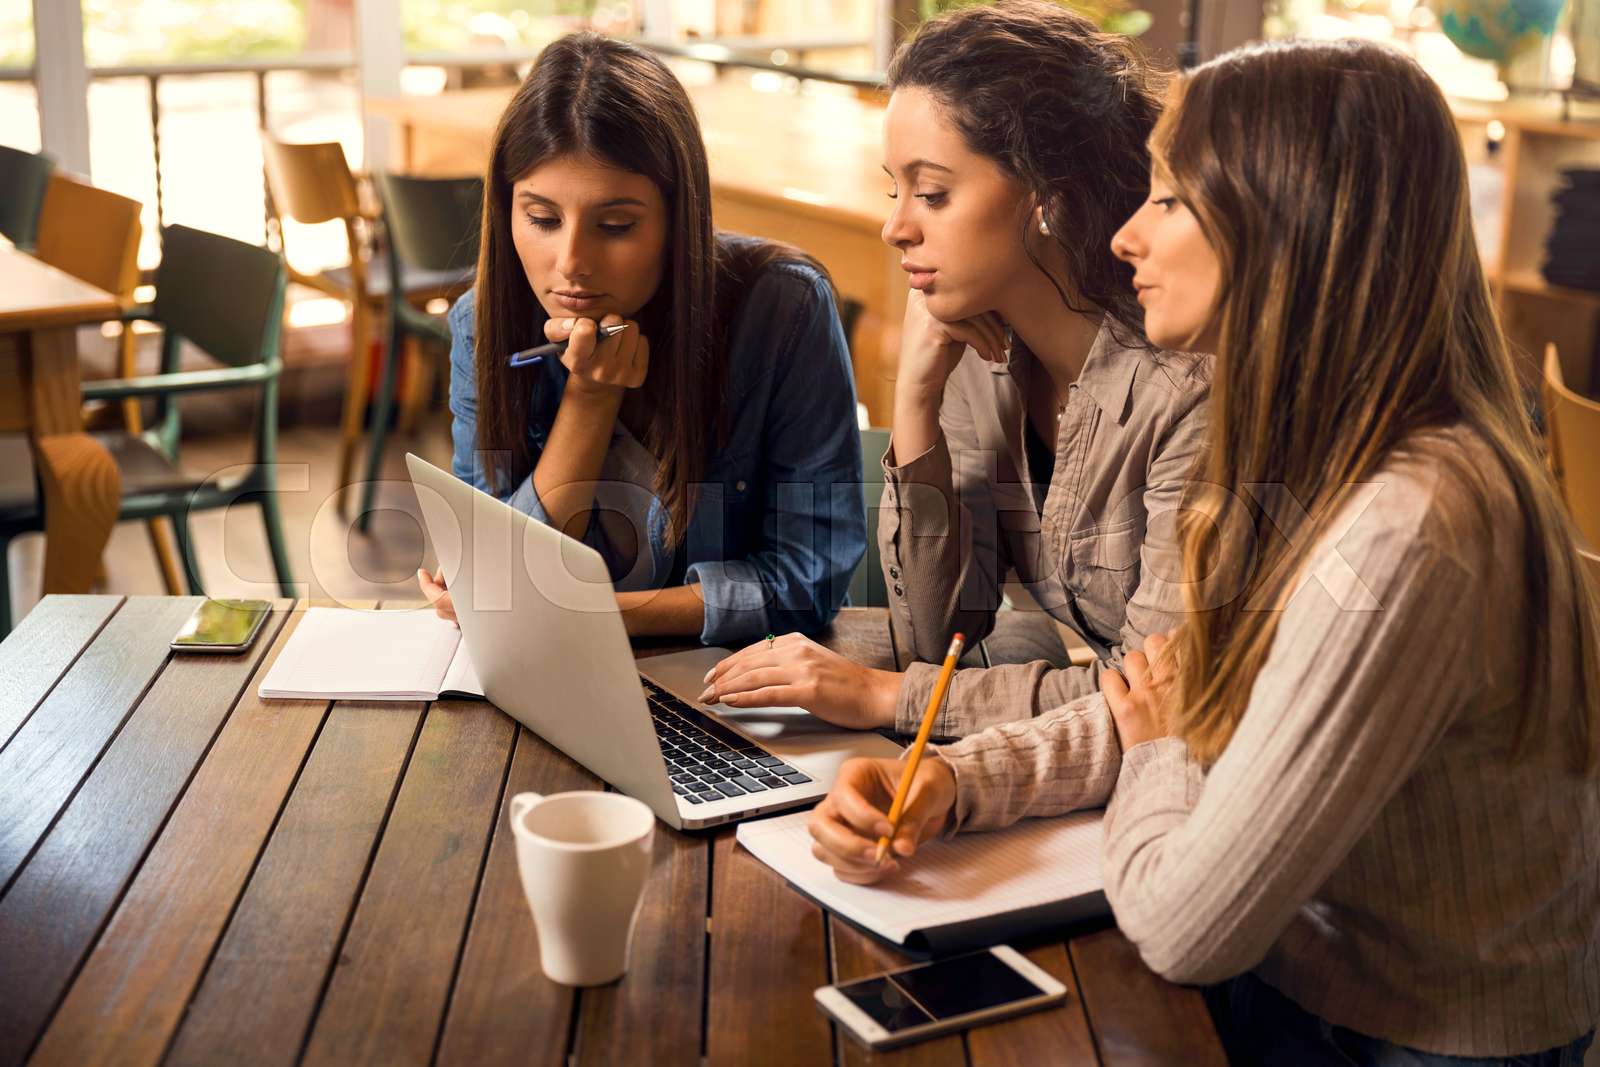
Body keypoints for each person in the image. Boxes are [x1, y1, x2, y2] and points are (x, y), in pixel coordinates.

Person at [807, 38, 1600, 1066]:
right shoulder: (1330, 448)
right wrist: (962, 783)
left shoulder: (1410, 525)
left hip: (1385, 1034)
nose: (1126, 237)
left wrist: (1154, 743)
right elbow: (1172, 696)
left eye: (1169, 201)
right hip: (1300, 983)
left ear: (1290, 231)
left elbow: (1184, 903)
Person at [698, 0, 1210, 736]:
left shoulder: (1185, 394)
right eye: (894, 189)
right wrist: (915, 399)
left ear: (1049, 201)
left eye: (932, 193)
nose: (895, 225)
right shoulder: (977, 353)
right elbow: (939, 636)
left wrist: (883, 697)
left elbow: (1153, 700)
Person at [419, 33, 866, 644]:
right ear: (507, 210)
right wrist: (589, 400)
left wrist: (595, 614)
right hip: (540, 676)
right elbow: (496, 580)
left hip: (724, 683)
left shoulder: (784, 309)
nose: (572, 261)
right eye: (543, 219)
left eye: (617, 225)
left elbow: (809, 581)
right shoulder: (481, 324)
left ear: (677, 219)